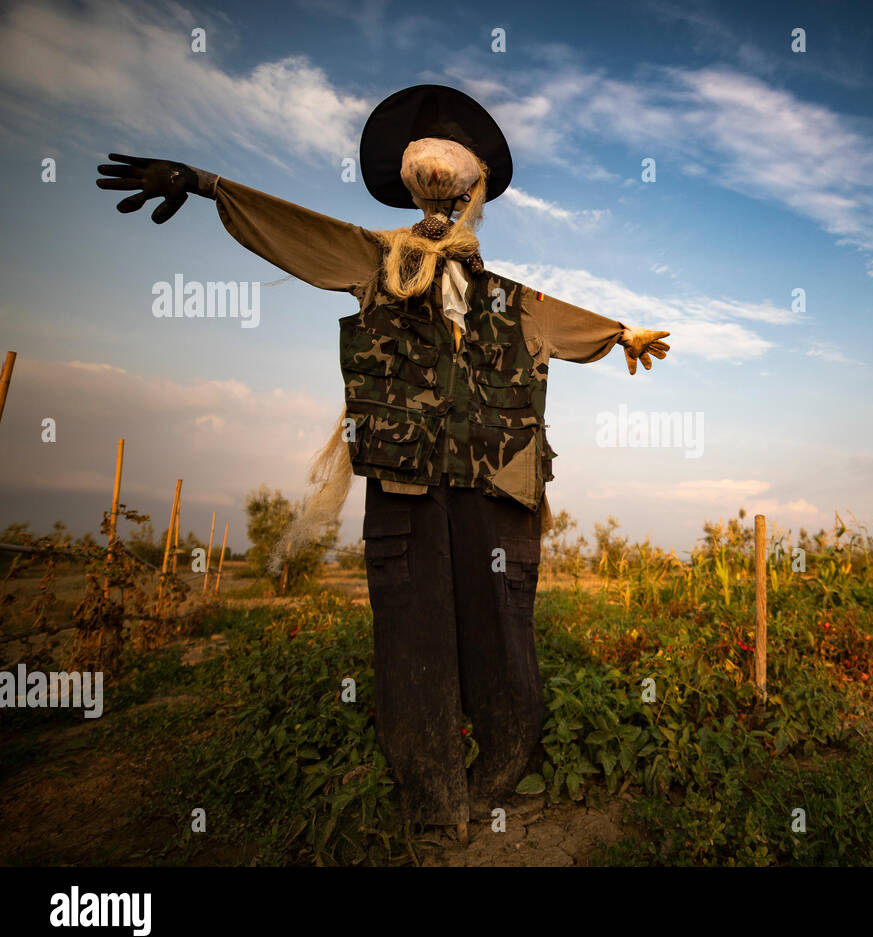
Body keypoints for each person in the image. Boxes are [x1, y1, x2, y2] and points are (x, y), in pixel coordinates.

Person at [96, 85, 671, 842]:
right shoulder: (376, 262)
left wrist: (622, 334)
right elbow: (294, 229)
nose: (442, 198)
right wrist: (207, 186)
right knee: (412, 637)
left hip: (501, 486)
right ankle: (433, 806)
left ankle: (499, 777)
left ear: (475, 195)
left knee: (503, 634)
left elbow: (572, 320)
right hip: (405, 480)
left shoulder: (512, 299)